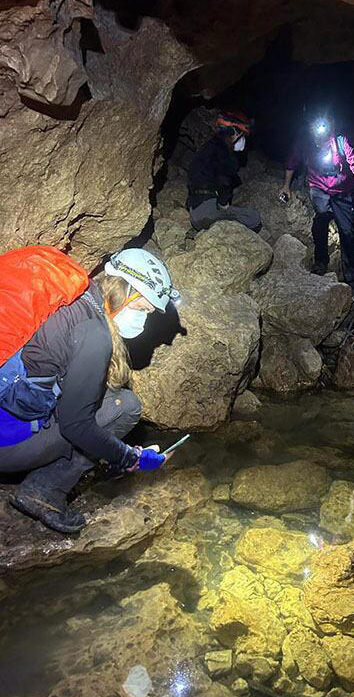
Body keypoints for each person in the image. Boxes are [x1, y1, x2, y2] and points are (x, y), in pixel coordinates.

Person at [0, 248, 179, 534]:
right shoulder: (94, 336)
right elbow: (76, 426)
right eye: (143, 309)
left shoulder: (72, 297)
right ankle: (44, 492)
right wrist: (131, 457)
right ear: (125, 291)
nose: (143, 322)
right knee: (125, 405)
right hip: (5, 449)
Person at [278, 109, 354, 294]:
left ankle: (353, 280)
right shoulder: (305, 141)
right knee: (321, 218)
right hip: (318, 188)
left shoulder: (341, 141)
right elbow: (292, 162)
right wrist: (286, 186)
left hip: (342, 191)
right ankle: (321, 261)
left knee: (347, 233)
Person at [187, 110, 262, 233]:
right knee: (254, 217)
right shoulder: (226, 156)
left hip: (194, 208)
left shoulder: (207, 148)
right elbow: (224, 183)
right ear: (234, 133)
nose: (243, 140)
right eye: (242, 135)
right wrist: (224, 204)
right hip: (207, 212)